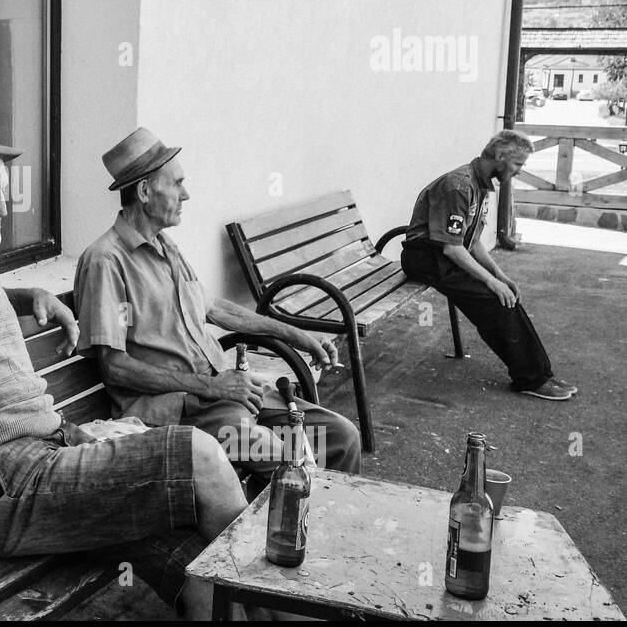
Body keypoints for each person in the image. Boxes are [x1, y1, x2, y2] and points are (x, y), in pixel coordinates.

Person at [0, 126, 252, 618]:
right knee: (200, 456)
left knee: (192, 559)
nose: (2, 210)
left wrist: (27, 296)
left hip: (57, 452)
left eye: (4, 192)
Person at [74, 128, 361, 485]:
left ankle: (310, 529)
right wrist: (212, 388)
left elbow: (214, 309)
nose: (186, 194)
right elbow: (115, 367)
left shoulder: (167, 248)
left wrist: (295, 334)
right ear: (145, 192)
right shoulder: (106, 261)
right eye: (177, 184)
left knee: (340, 437)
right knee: (287, 457)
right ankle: (282, 535)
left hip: (228, 398)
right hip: (182, 410)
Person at [400, 129, 575, 401]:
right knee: (495, 302)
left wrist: (501, 276)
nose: (518, 171)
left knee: (508, 297)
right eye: (517, 164)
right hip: (426, 258)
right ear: (501, 156)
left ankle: (541, 374)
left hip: (445, 256)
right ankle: (530, 378)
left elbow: (473, 242)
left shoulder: (479, 184)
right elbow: (452, 247)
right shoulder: (458, 185)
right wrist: (490, 282)